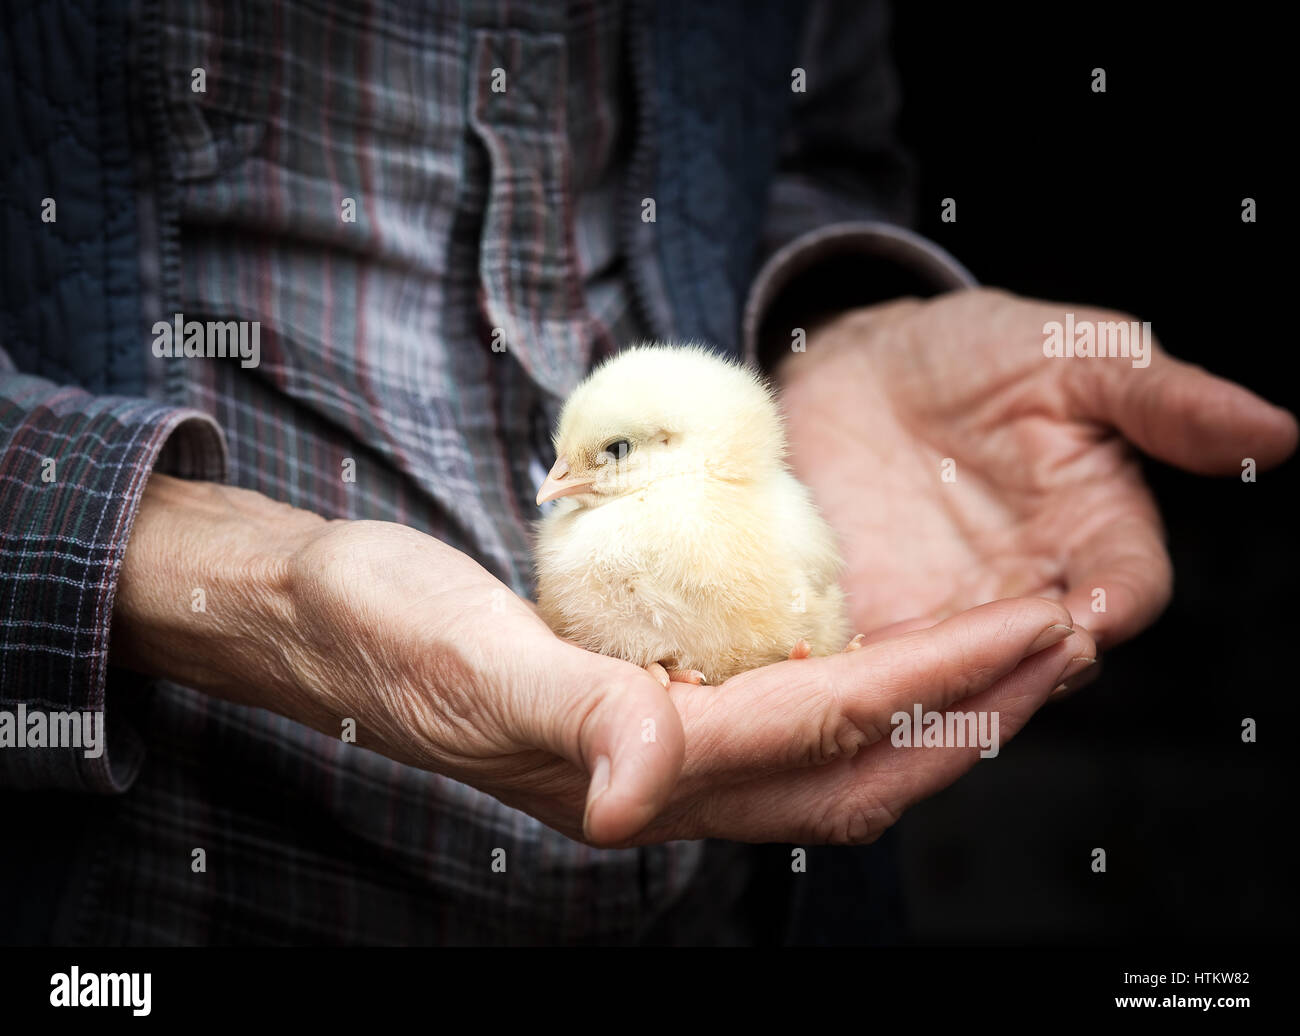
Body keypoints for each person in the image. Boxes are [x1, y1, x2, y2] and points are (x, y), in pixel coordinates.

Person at [1, 0, 1293, 945]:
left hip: (730, 917)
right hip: (166, 897)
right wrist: (178, 564)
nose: (558, 486)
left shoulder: (746, 510)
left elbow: (813, 139)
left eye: (599, 460)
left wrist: (843, 317)